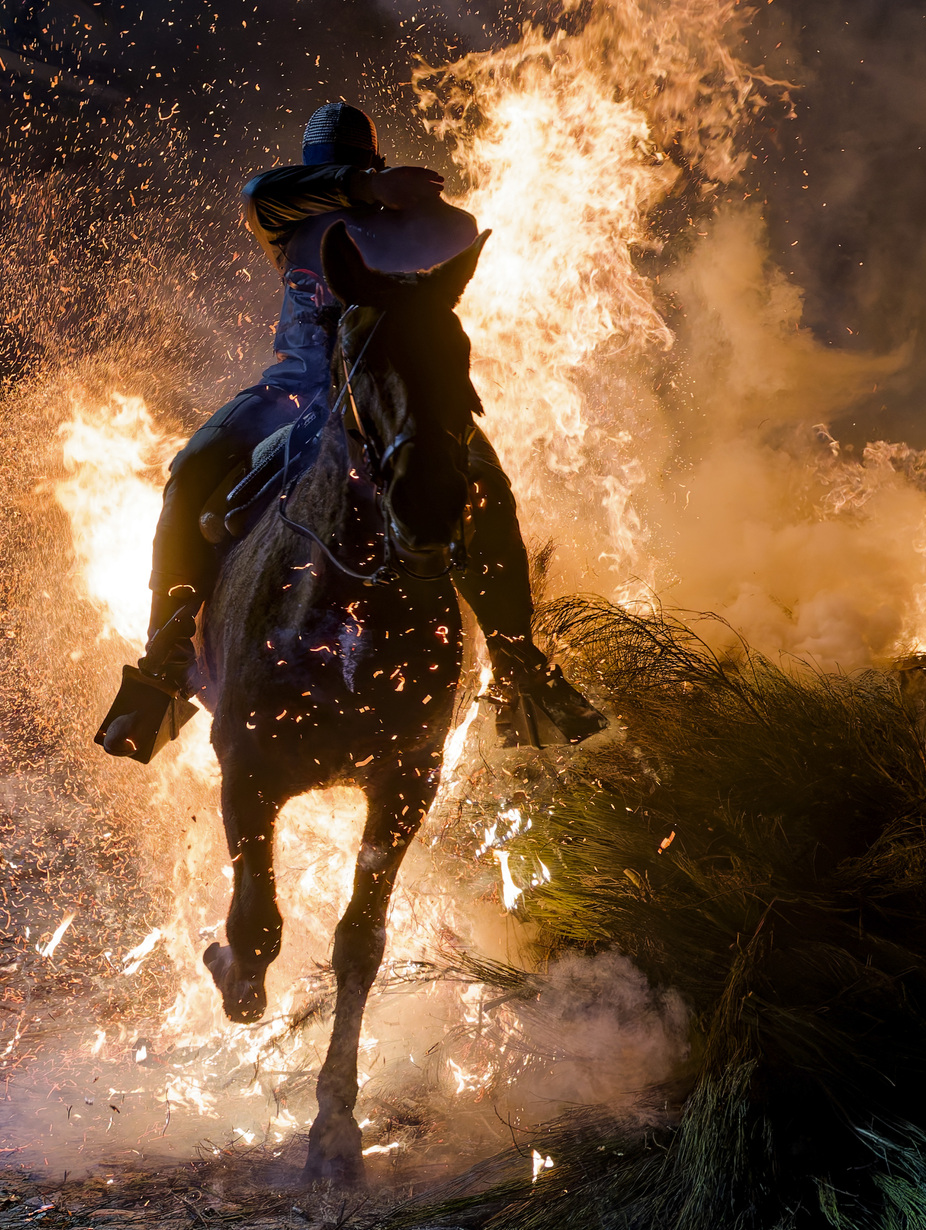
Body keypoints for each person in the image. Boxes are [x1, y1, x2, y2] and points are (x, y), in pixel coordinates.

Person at [112, 102, 603, 758]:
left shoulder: (411, 229)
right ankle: (167, 649)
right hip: (295, 391)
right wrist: (368, 188)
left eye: (355, 170)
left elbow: (460, 228)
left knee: (486, 487)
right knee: (194, 468)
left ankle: (520, 664)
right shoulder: (284, 217)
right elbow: (261, 192)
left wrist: (389, 203)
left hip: (390, 396)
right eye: (332, 172)